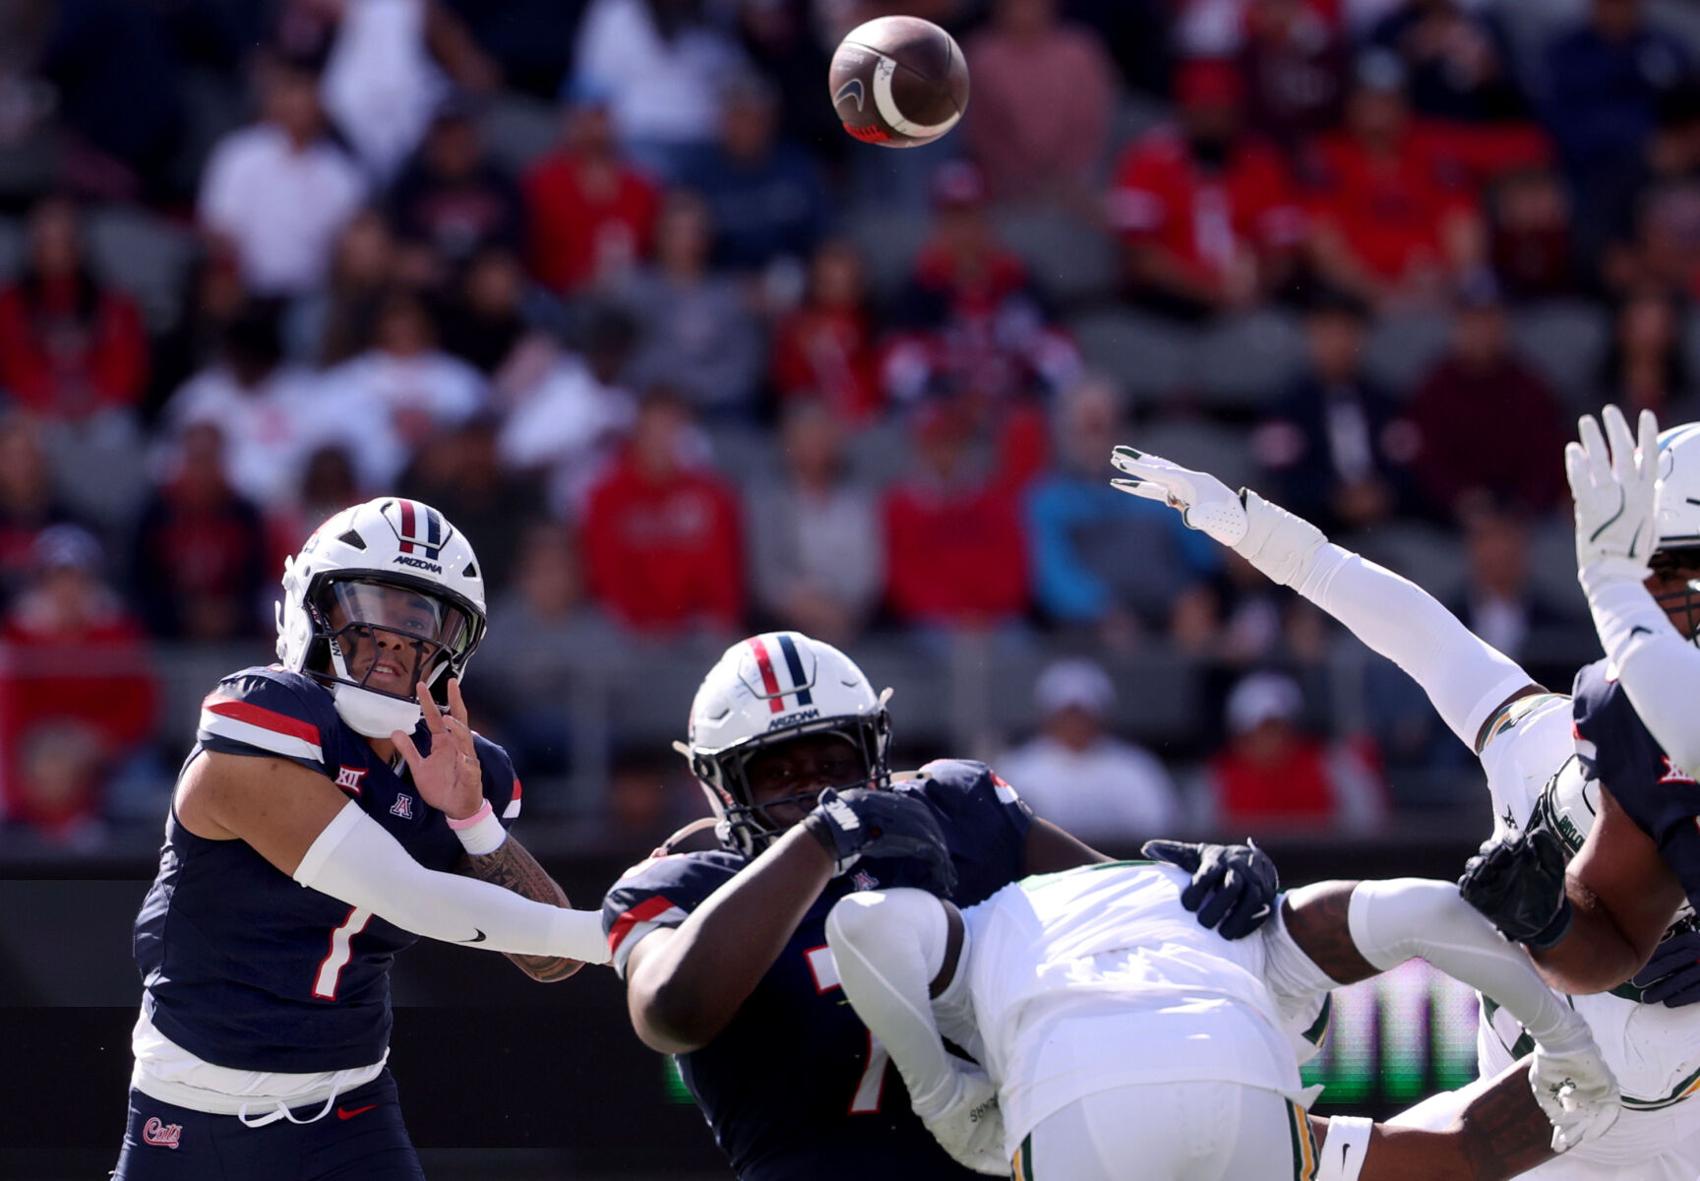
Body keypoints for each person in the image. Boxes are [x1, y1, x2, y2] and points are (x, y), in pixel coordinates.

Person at [1107, 433, 1700, 1177]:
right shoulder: (1546, 740)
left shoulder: (1559, 751)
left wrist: (1273, 1146)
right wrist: (1252, 529)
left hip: (1613, 1105)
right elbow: (1420, 632)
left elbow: (1464, 1147)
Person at [112, 498, 609, 1180]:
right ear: (310, 607)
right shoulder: (259, 723)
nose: (395, 640)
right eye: (370, 609)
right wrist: (627, 937)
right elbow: (411, 896)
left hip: (350, 1114)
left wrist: (473, 820)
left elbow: (548, 959)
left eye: (420, 622)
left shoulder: (468, 768)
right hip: (192, 1118)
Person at [600, 630, 1118, 1179]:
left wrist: (1195, 878)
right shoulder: (685, 887)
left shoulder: (959, 811)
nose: (818, 794)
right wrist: (822, 838)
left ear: (874, 748)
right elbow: (671, 1015)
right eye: (779, 775)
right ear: (727, 787)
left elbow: (1119, 904)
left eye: (833, 766)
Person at [824, 858, 1619, 1180]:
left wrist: (943, 1099)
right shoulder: (1240, 924)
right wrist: (1567, 1038)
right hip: (1248, 1103)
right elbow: (1425, 905)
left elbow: (859, 923)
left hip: (1074, 1096)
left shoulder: (990, 928)